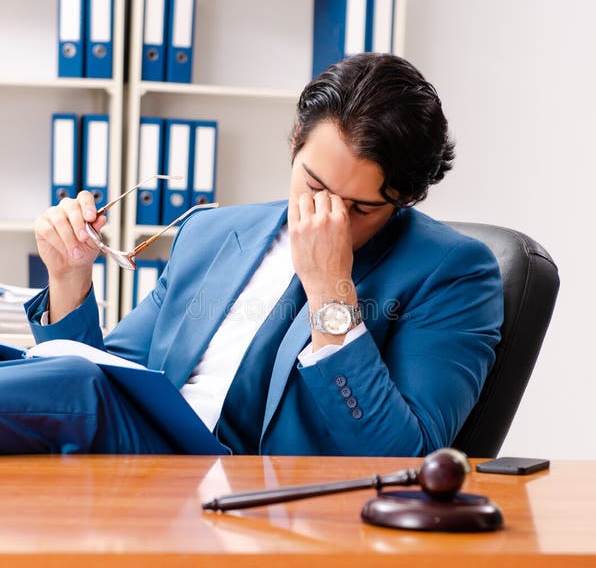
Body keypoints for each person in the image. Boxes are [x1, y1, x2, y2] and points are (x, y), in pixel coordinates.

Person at [1, 53, 503, 456]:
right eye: (315, 185)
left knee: (79, 387)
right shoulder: (212, 232)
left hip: (246, 485)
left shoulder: (454, 272)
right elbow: (114, 373)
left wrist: (331, 290)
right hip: (149, 454)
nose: (328, 215)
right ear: (293, 146)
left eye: (361, 208)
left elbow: (402, 453)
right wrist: (69, 277)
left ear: (406, 198)